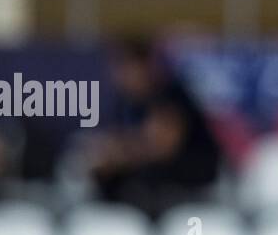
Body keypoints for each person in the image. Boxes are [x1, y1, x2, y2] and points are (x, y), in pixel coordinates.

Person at [86, 35, 223, 220]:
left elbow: (162, 148)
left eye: (124, 65)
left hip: (188, 194)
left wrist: (120, 152)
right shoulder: (125, 103)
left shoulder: (171, 94)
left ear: (144, 65)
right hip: (149, 192)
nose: (117, 74)